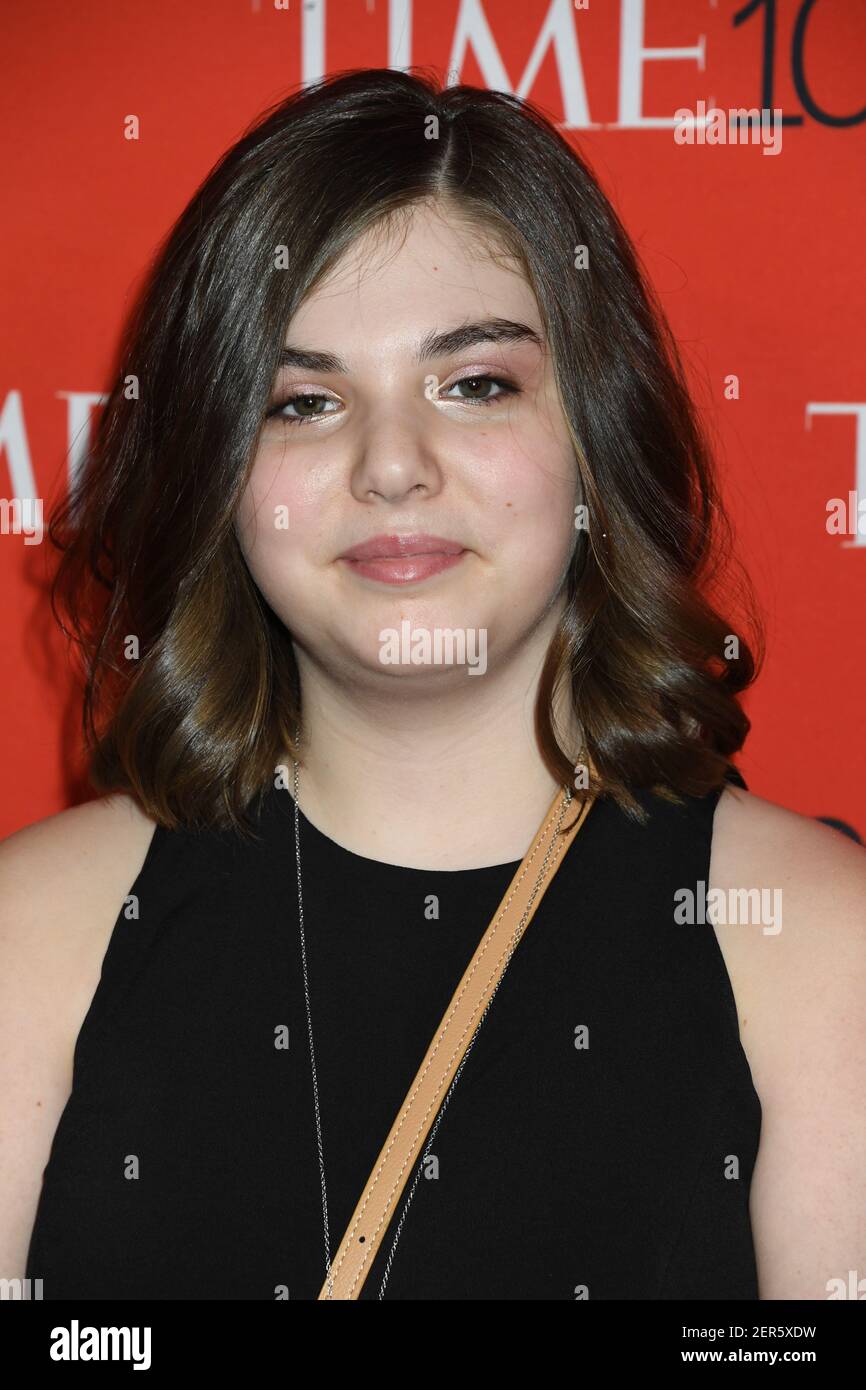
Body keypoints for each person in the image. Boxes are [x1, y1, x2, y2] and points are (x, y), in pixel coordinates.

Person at [1, 68, 864, 1302]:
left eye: (474, 384)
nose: (390, 464)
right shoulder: (26, 938)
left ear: (597, 435)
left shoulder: (826, 949)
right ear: (215, 471)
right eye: (301, 401)